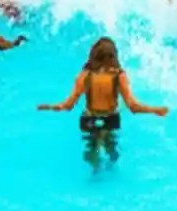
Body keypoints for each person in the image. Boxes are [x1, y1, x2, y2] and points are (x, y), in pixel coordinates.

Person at [37, 37, 168, 171]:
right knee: (112, 150)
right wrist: (155, 110)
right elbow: (133, 106)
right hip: (110, 119)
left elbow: (68, 105)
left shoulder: (84, 76)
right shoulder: (119, 76)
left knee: (91, 151)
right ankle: (111, 169)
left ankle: (95, 172)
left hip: (89, 119)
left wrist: (50, 107)